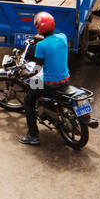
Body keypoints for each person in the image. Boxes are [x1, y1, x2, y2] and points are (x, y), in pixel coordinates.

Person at [20, 12, 71, 146]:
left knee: (28, 100)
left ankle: (33, 135)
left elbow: (37, 68)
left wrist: (26, 73)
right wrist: (38, 38)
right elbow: (51, 41)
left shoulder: (41, 46)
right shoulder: (62, 37)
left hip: (49, 83)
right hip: (65, 79)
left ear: (39, 28)